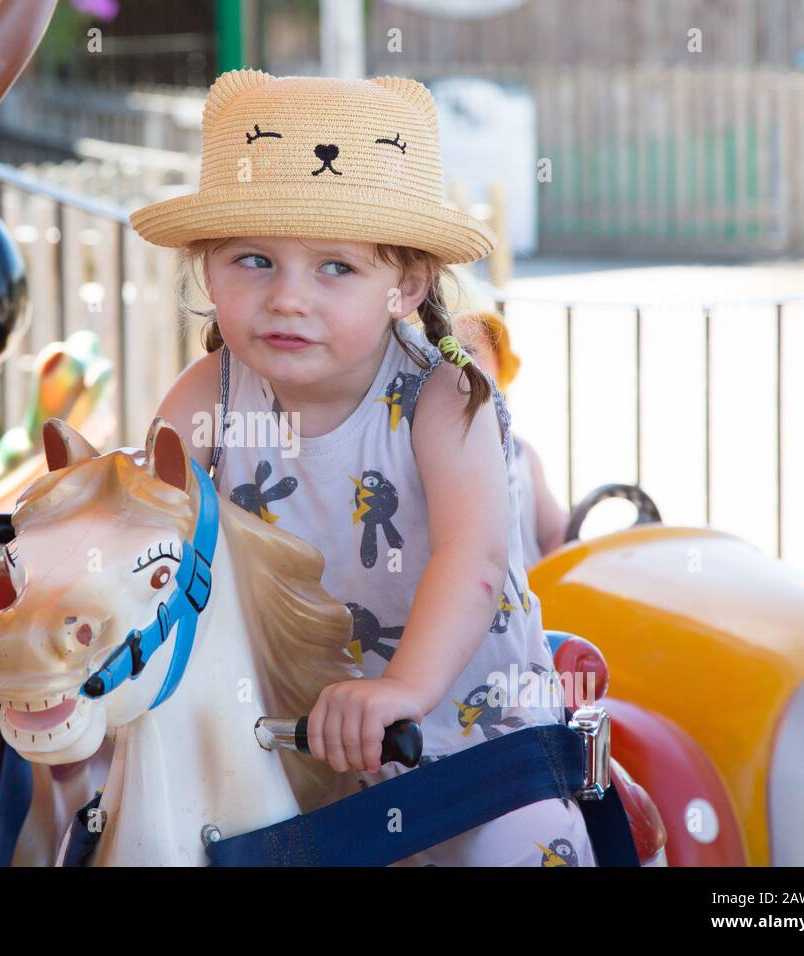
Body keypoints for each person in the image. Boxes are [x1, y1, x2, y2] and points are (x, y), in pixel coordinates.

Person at [135, 70, 595, 866]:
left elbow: (474, 556)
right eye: (253, 260)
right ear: (206, 271)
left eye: (335, 268)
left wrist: (401, 692)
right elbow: (147, 537)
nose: (287, 298)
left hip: (462, 740)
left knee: (528, 852)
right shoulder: (203, 397)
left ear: (404, 285)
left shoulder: (441, 396)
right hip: (282, 744)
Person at [449, 273, 569, 569]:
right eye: (438, 353)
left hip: (537, 603)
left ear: (498, 363)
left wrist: (572, 549)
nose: (459, 366)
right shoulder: (416, 464)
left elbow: (556, 532)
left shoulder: (521, 455)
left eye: (469, 350)